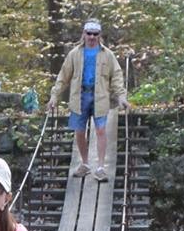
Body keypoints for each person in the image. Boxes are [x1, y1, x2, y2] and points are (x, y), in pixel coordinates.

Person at [48, 18, 127, 181]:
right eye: (89, 33)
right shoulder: (74, 54)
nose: (92, 37)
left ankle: (100, 167)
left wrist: (121, 97)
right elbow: (63, 76)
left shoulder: (108, 55)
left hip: (100, 96)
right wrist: (54, 96)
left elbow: (117, 76)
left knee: (100, 130)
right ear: (84, 34)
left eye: (95, 34)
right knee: (79, 132)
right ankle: (85, 164)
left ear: (99, 35)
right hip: (79, 96)